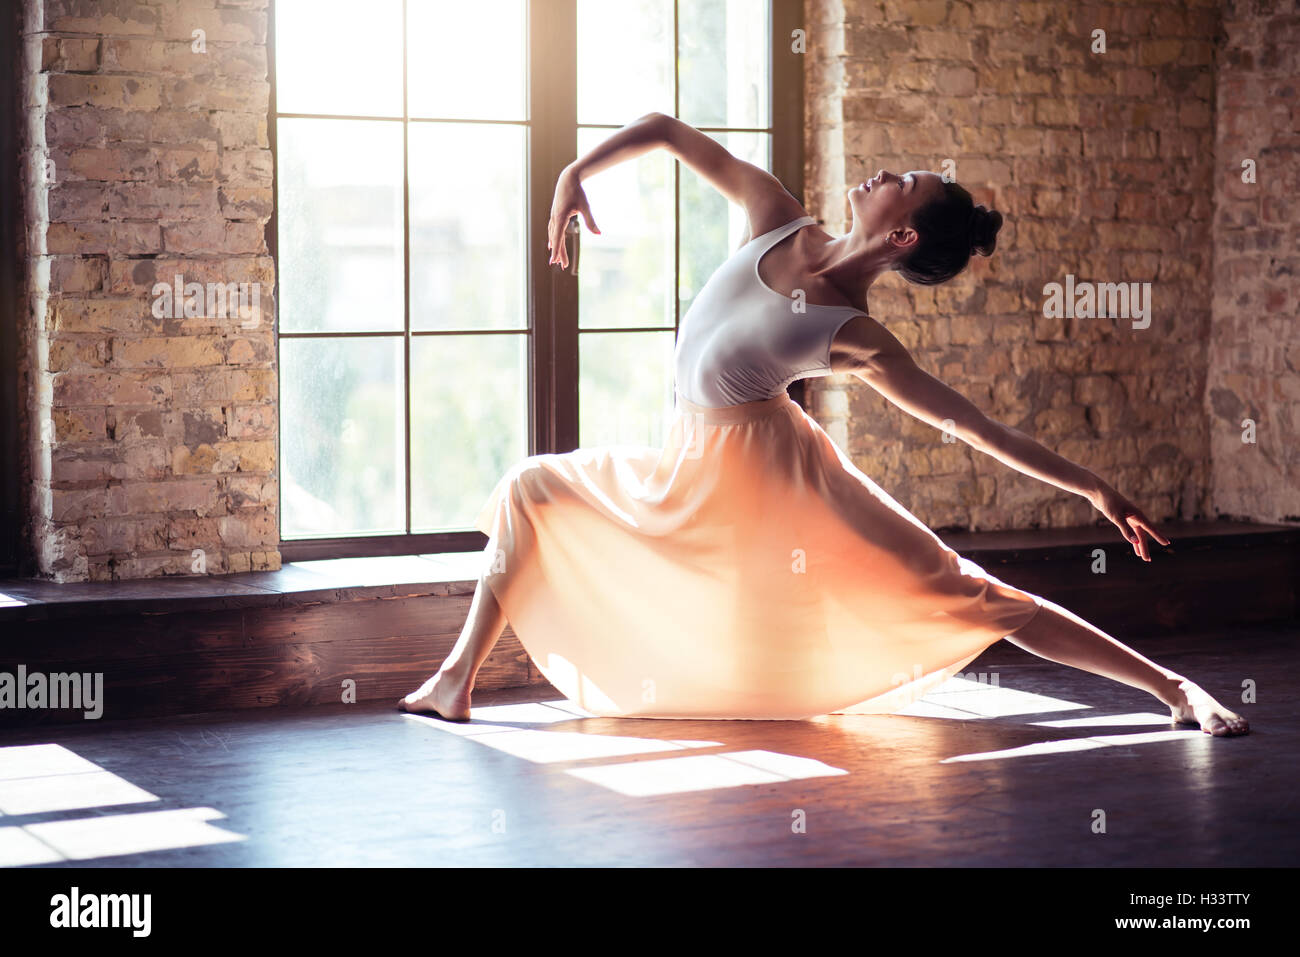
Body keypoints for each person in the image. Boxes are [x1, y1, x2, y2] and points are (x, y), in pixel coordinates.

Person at [400, 112, 1248, 736]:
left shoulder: (856, 335)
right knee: (529, 488)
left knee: (969, 592)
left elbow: (980, 429)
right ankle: (455, 680)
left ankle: (1172, 688)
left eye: (900, 180)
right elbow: (667, 130)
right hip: (687, 463)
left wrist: (1095, 486)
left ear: (904, 229)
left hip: (775, 482)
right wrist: (571, 174)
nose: (881, 170)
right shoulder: (777, 215)